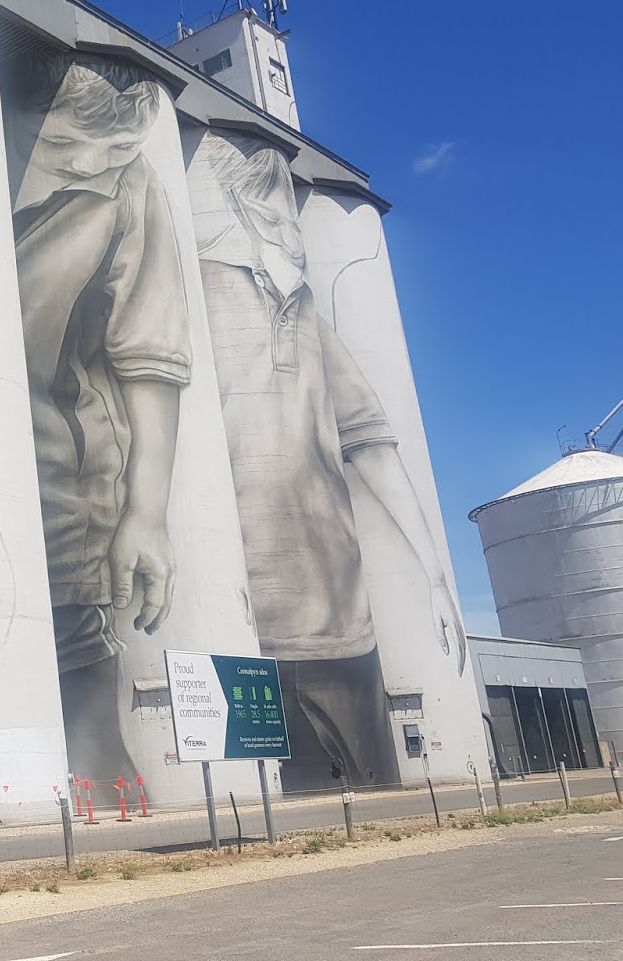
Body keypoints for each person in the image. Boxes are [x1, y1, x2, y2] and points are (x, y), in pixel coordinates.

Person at [189, 127, 464, 792]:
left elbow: (369, 439)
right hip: (242, 619)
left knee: (365, 783)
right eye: (269, 199)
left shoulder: (306, 310)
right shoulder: (196, 290)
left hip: (343, 625)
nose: (287, 216)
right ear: (240, 207)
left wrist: (432, 577)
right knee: (248, 784)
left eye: (289, 198)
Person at [5, 51, 191, 784]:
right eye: (65, 150)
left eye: (112, 154)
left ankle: (113, 833)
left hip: (66, 507)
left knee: (90, 729)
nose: (91, 168)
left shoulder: (132, 181)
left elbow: (149, 350)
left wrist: (147, 514)